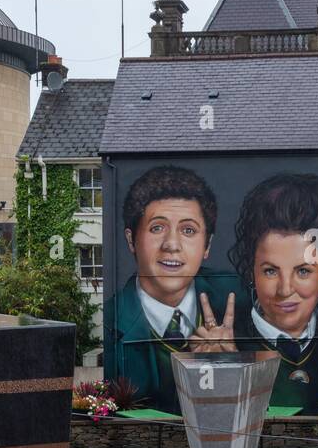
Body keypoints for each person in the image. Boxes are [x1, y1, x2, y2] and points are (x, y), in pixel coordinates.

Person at [104, 166, 243, 413]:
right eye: (157, 228)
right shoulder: (110, 320)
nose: (172, 245)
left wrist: (231, 363)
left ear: (207, 245)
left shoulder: (241, 298)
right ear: (130, 240)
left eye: (188, 230)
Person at [227, 173, 318, 415]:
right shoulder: (227, 343)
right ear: (252, 271)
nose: (285, 289)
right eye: (270, 271)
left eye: (303, 271)